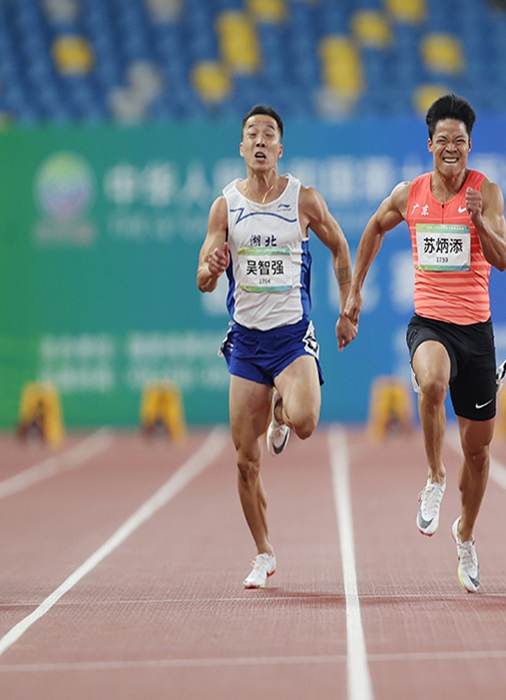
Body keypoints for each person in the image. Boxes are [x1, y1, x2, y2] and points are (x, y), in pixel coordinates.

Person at [343, 94, 506, 593]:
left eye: (460, 141)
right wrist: (355, 290)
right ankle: (435, 477)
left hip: (476, 331)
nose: (452, 148)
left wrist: (479, 220)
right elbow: (373, 227)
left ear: (470, 145)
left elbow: (502, 259)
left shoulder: (487, 192)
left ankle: (465, 534)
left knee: (478, 453)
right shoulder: (409, 194)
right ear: (430, 145)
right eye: (443, 141)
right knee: (432, 383)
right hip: (430, 324)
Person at [197, 104, 357, 589]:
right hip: (246, 342)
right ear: (242, 148)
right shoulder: (225, 206)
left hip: (291, 338)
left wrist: (348, 308)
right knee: (246, 462)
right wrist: (212, 267)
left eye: (269, 133)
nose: (260, 140)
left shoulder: (302, 199)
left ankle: (280, 420)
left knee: (306, 420)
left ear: (280, 148)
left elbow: (340, 248)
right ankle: (263, 552)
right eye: (252, 133)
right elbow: (203, 279)